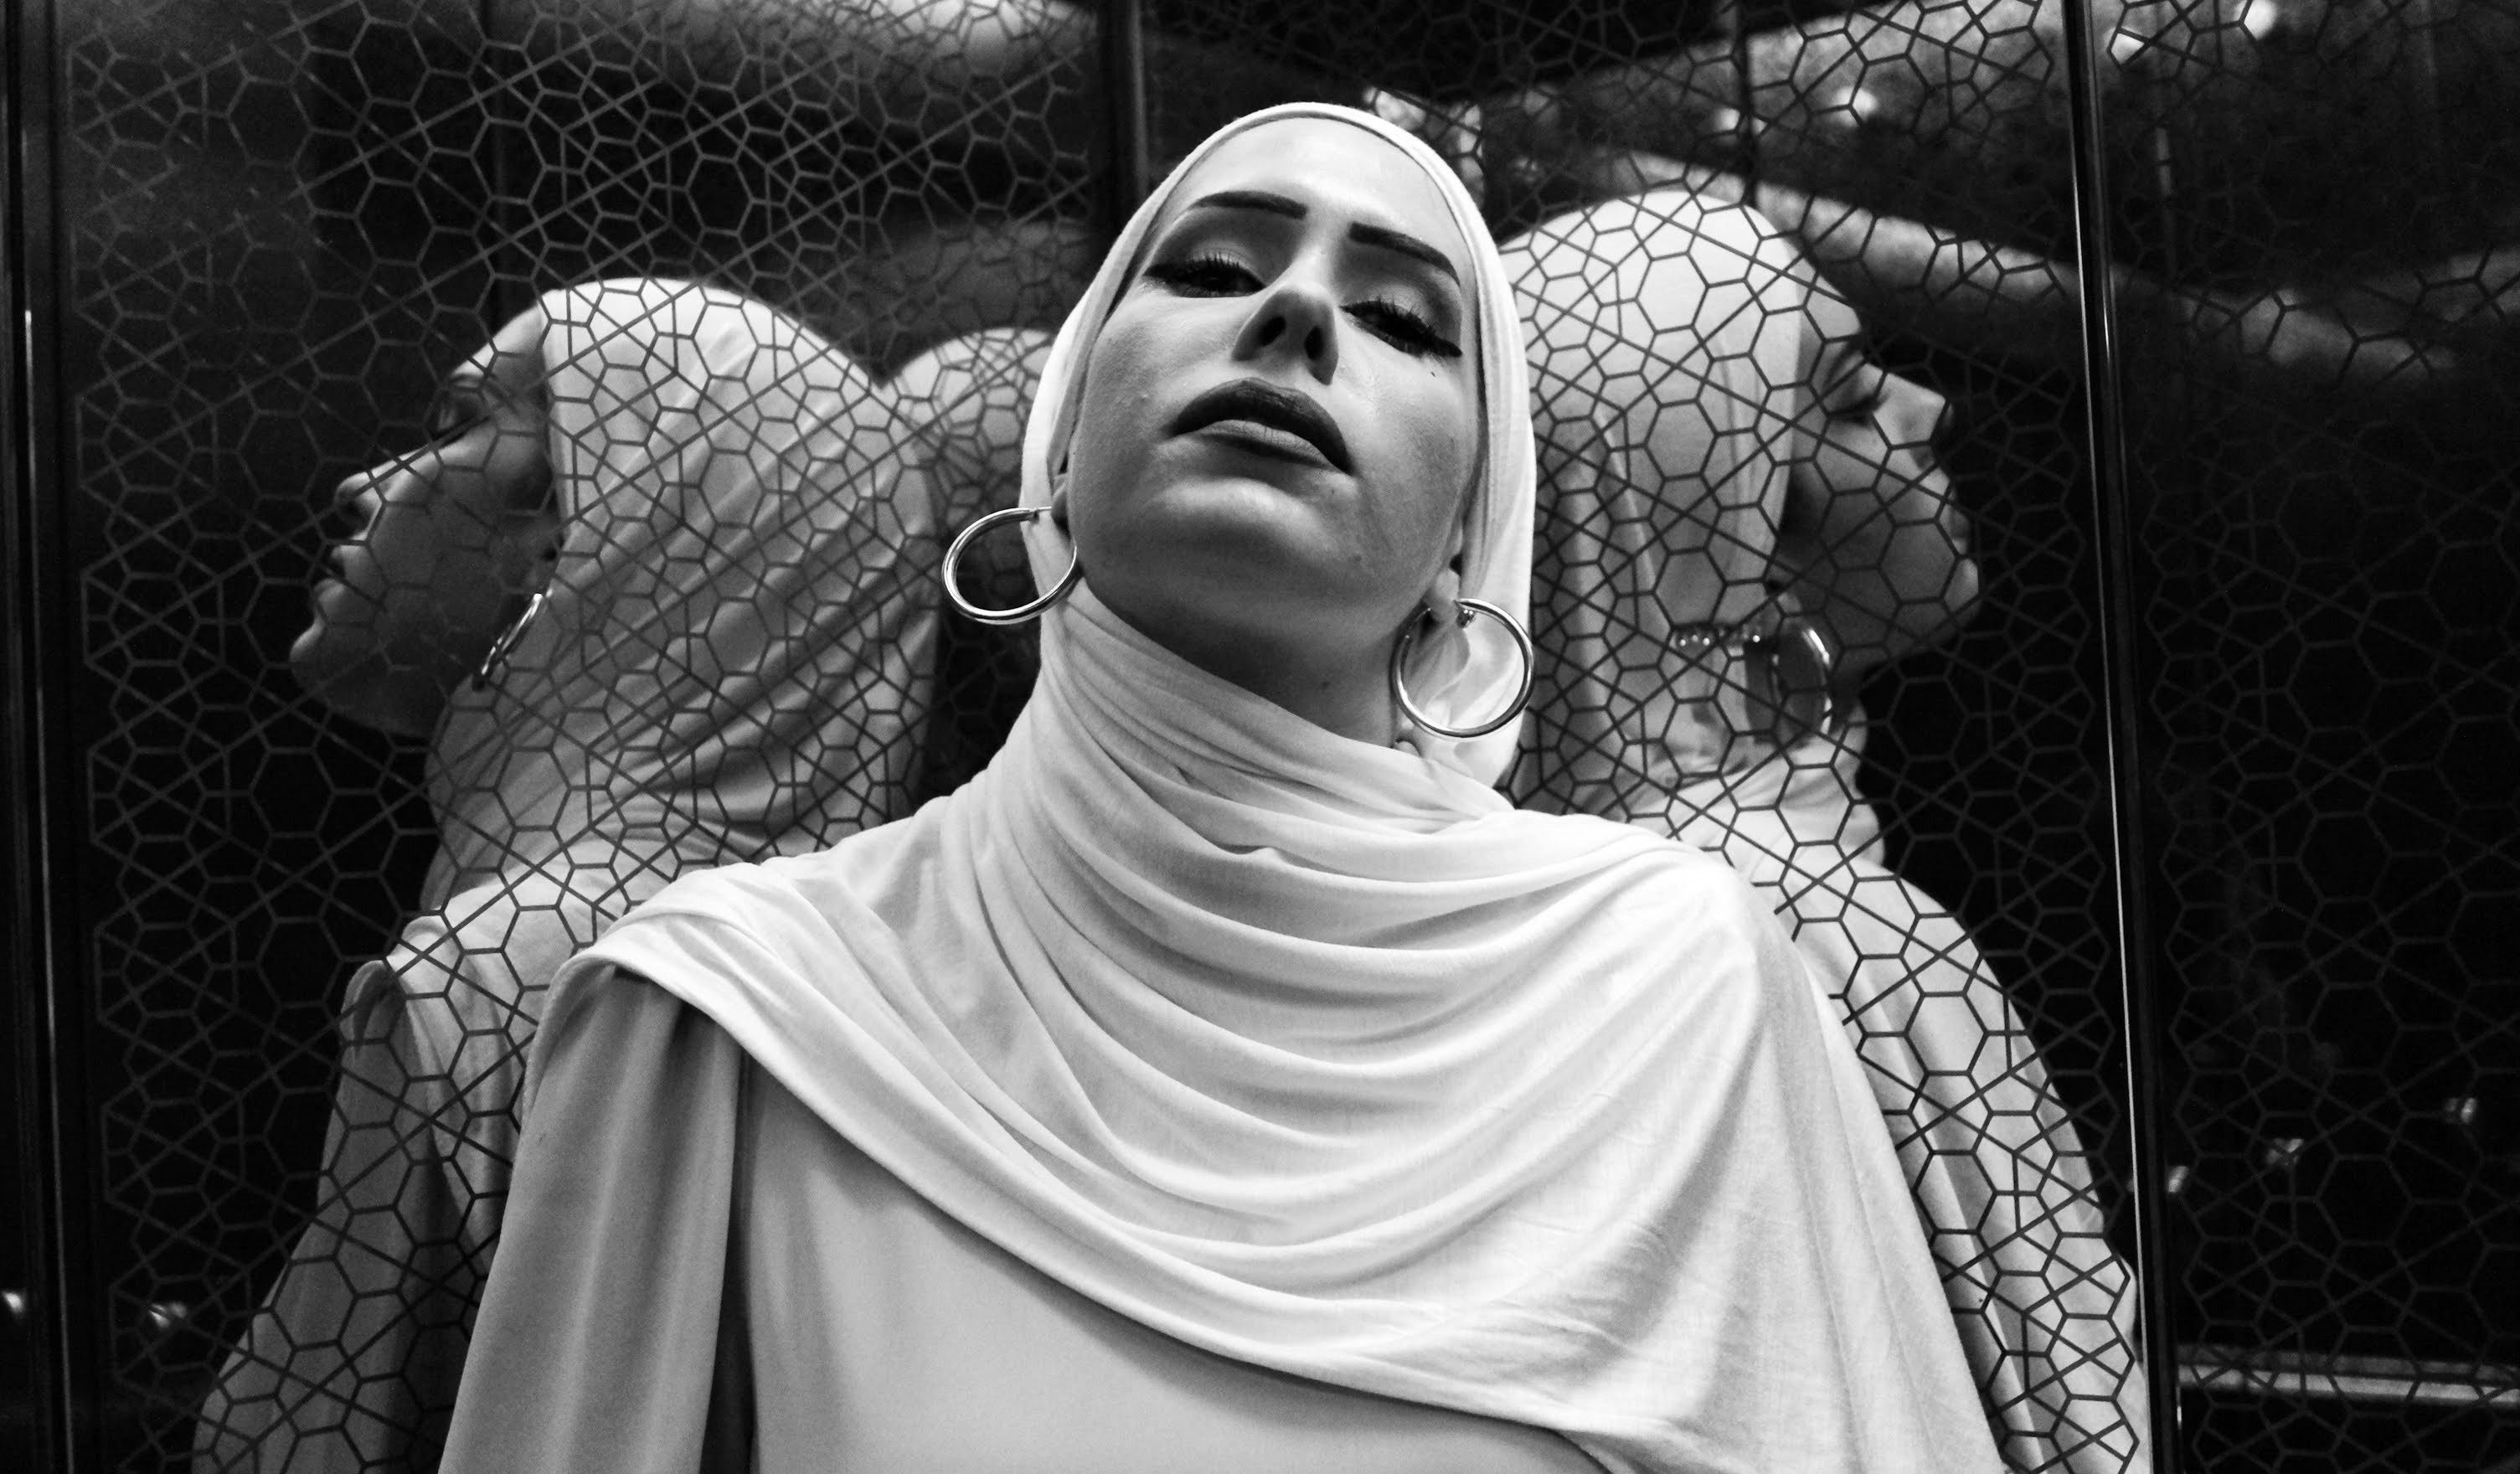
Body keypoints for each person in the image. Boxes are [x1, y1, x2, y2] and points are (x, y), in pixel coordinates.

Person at [435, 103, 2001, 1473]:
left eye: (1399, 316)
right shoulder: (727, 1018)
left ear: (1470, 534)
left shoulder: (1684, 990)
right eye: (1209, 271)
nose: (1298, 316)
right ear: (1058, 452)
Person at [199, 278, 1010, 1471]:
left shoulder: (494, 980)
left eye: (464, 421)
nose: (366, 483)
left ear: (589, 538)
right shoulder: (939, 979)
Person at [1503, 188, 2149, 1474]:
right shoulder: (1833, 948)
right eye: (1850, 395)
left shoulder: (1549, 917)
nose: (1928, 408)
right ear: (1734, 517)